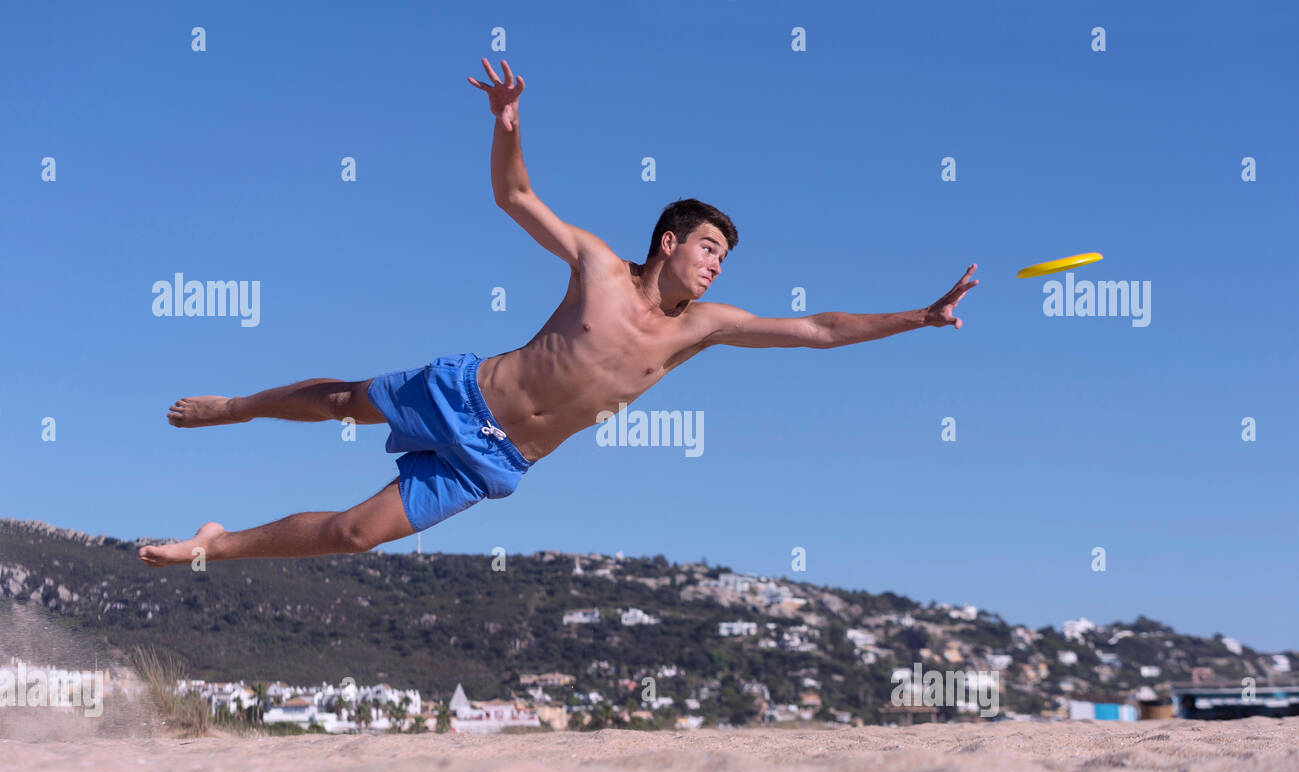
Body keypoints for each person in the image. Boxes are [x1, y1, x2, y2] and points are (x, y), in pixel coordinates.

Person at [138, 58, 977, 567]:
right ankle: (237, 405)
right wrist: (507, 124)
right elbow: (515, 193)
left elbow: (819, 329)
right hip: (464, 395)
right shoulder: (599, 266)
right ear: (668, 240)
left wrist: (922, 316)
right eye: (710, 244)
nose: (719, 261)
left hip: (495, 461)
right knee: (341, 404)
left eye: (725, 254)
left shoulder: (701, 328)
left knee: (355, 535)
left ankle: (216, 540)